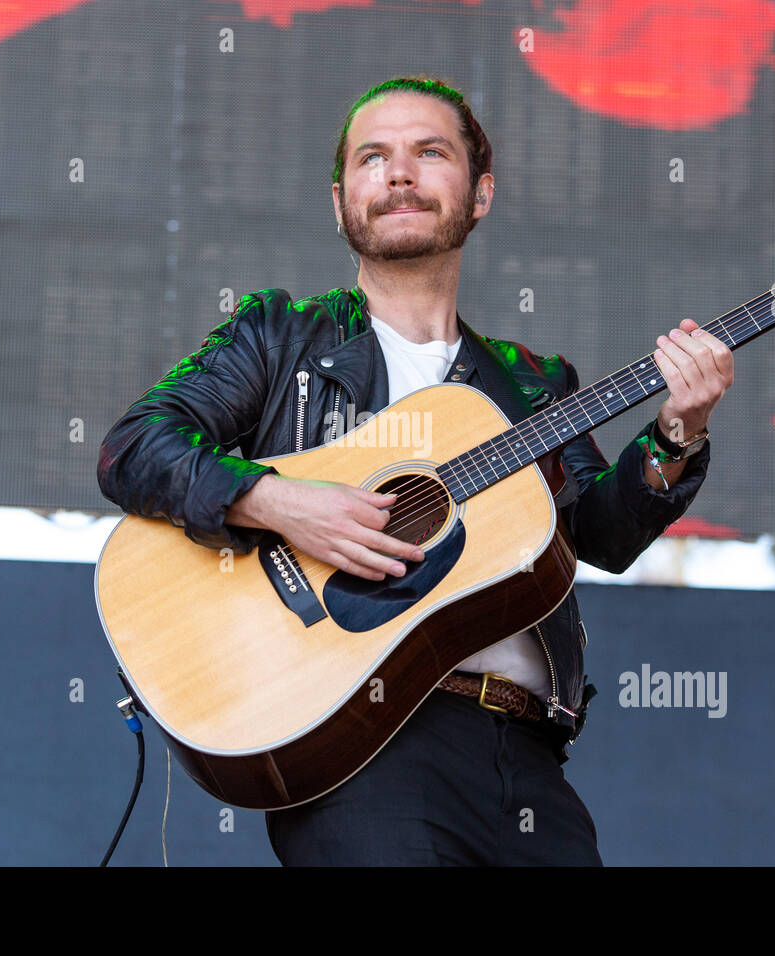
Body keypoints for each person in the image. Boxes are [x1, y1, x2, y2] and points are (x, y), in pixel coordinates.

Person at [97, 75, 734, 865]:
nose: (399, 174)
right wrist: (279, 502)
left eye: (429, 152)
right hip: (365, 747)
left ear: (480, 193)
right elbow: (134, 447)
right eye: (374, 157)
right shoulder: (279, 337)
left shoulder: (535, 386)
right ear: (341, 203)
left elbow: (597, 537)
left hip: (530, 761)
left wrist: (676, 432)